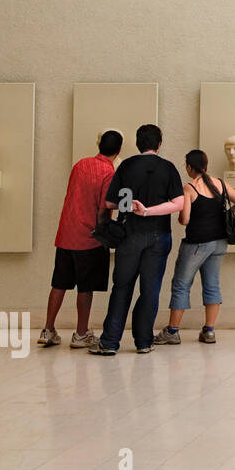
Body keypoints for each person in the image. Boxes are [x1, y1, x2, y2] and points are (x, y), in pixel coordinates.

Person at [89, 124, 184, 355]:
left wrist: (131, 206)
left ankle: (110, 342)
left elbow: (111, 203)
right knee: (150, 290)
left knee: (122, 287)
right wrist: (149, 210)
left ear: (137, 143)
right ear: (159, 144)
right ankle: (144, 341)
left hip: (129, 234)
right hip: (159, 235)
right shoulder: (168, 168)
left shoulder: (126, 166)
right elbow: (178, 203)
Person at [39, 130, 122, 348]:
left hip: (66, 233)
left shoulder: (80, 164)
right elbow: (104, 208)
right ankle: (81, 333)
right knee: (85, 287)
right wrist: (106, 232)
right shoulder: (108, 172)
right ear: (119, 150)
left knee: (59, 283)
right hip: (89, 238)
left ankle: (48, 329)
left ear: (99, 145)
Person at [154, 149, 235, 345]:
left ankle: (172, 331)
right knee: (212, 284)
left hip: (196, 244)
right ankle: (209, 330)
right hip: (219, 243)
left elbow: (185, 220)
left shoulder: (189, 188)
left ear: (189, 167)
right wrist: (227, 214)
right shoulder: (219, 184)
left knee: (181, 284)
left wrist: (180, 215)